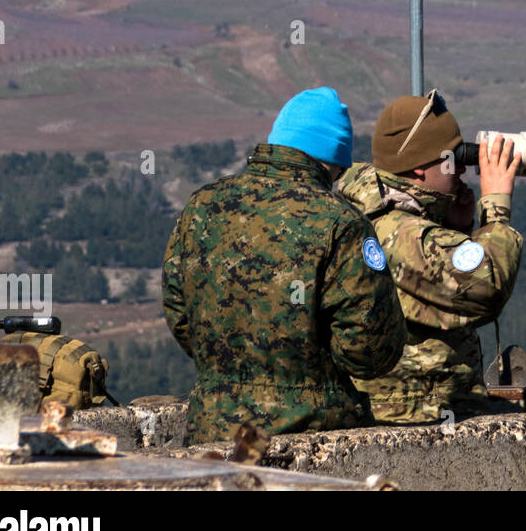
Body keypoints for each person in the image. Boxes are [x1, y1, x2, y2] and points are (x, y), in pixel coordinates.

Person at [162, 87, 405, 443]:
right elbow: (370, 351)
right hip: (313, 437)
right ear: (335, 160)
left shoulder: (203, 206)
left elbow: (179, 312)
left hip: (210, 433)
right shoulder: (341, 223)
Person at [338, 89, 523, 424]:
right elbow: (484, 290)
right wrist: (495, 211)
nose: (462, 171)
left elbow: (436, 285)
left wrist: (458, 229)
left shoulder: (381, 212)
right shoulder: (399, 232)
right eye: (453, 158)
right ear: (421, 167)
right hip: (415, 421)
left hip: (418, 413)